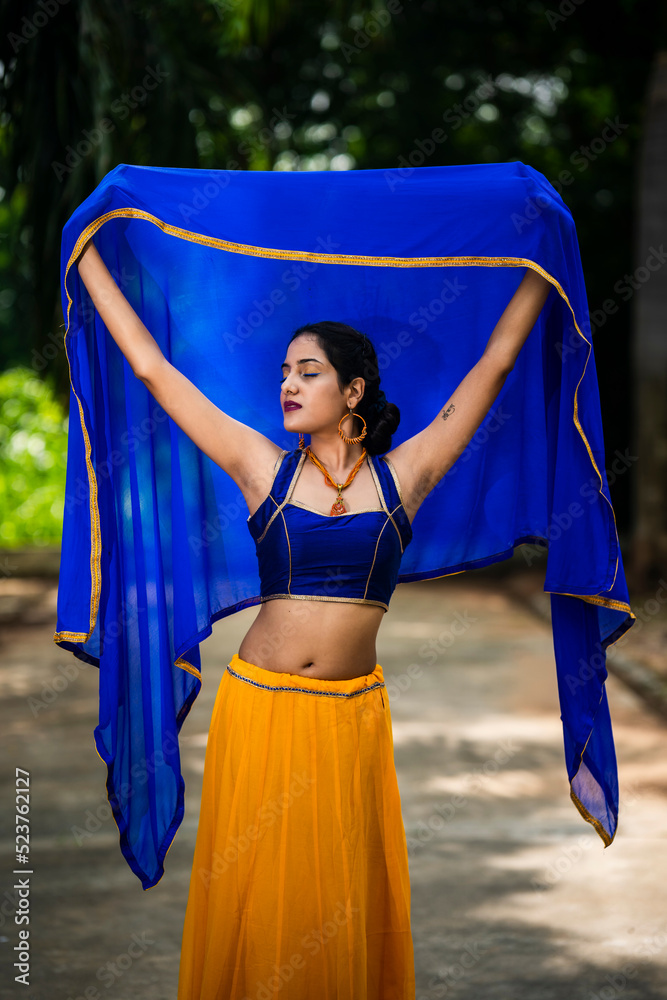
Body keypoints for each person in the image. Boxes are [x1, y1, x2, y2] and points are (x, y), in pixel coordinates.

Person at [75, 239, 551, 1000]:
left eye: (308, 371)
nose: (288, 385)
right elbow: (153, 369)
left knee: (335, 903)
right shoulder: (261, 466)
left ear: (353, 391)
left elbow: (492, 365)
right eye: (284, 372)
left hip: (349, 715)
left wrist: (542, 265)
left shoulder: (406, 476)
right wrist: (86, 253)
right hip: (260, 708)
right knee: (263, 897)